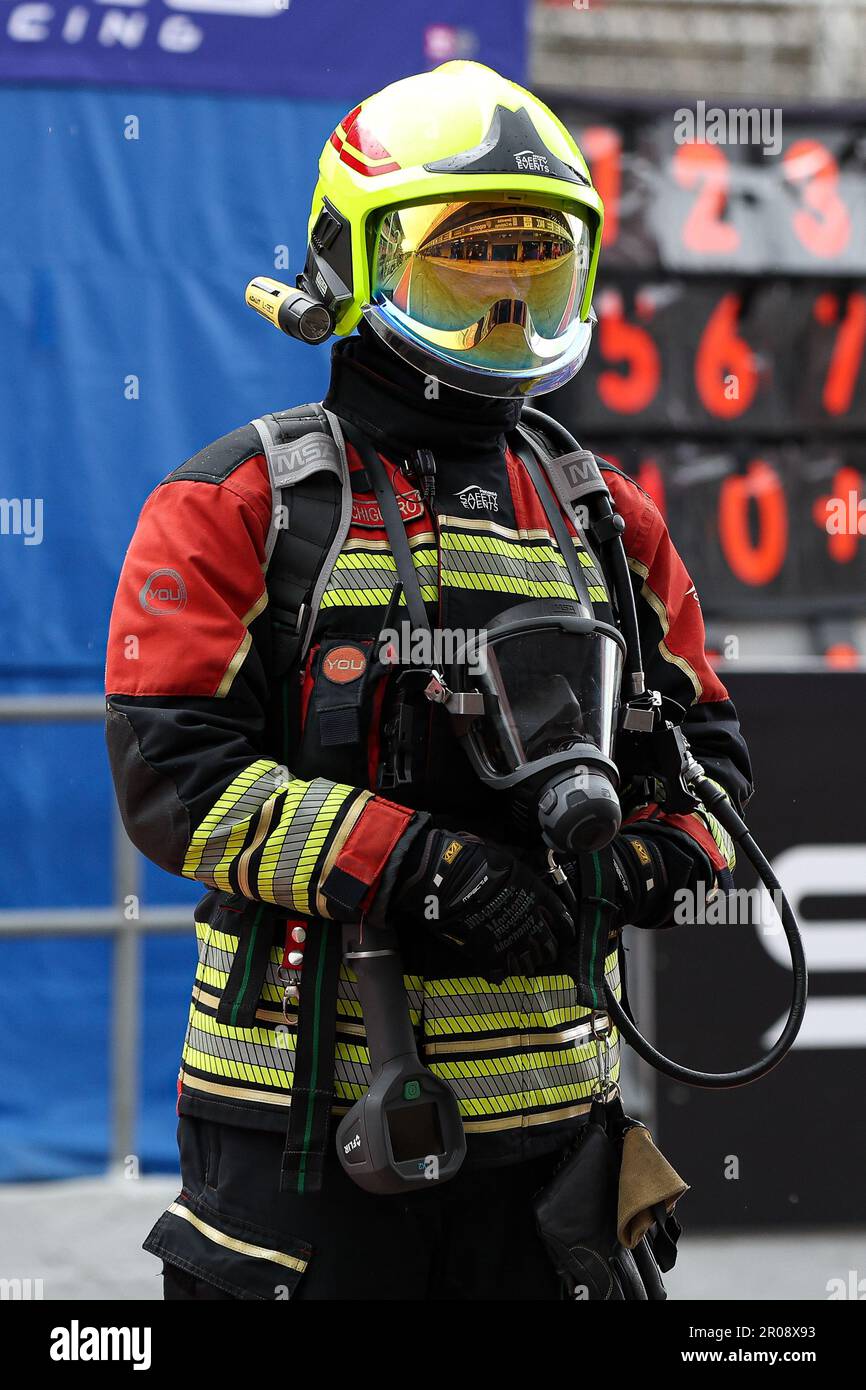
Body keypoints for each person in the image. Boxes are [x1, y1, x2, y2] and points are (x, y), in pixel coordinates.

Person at [105, 61, 751, 1301]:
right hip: (301, 1154)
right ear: (352, 263)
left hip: (561, 1162)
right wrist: (418, 863)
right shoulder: (238, 502)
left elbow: (715, 769)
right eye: (466, 263)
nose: (507, 301)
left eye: (535, 264)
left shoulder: (607, 519)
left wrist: (652, 854)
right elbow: (173, 783)